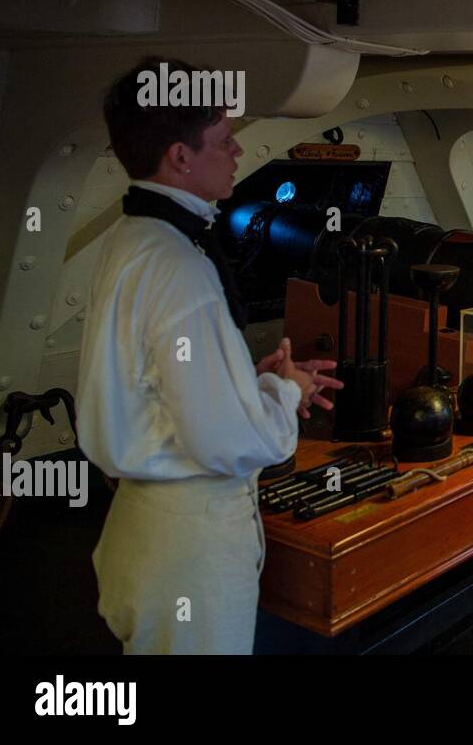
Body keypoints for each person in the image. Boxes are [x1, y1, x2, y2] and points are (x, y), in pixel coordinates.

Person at [77, 57, 342, 654]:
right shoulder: (179, 268)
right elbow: (227, 440)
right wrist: (282, 393)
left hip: (141, 529)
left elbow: (149, 383)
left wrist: (239, 381)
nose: (238, 154)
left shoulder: (131, 241)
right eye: (224, 140)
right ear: (180, 156)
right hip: (188, 545)